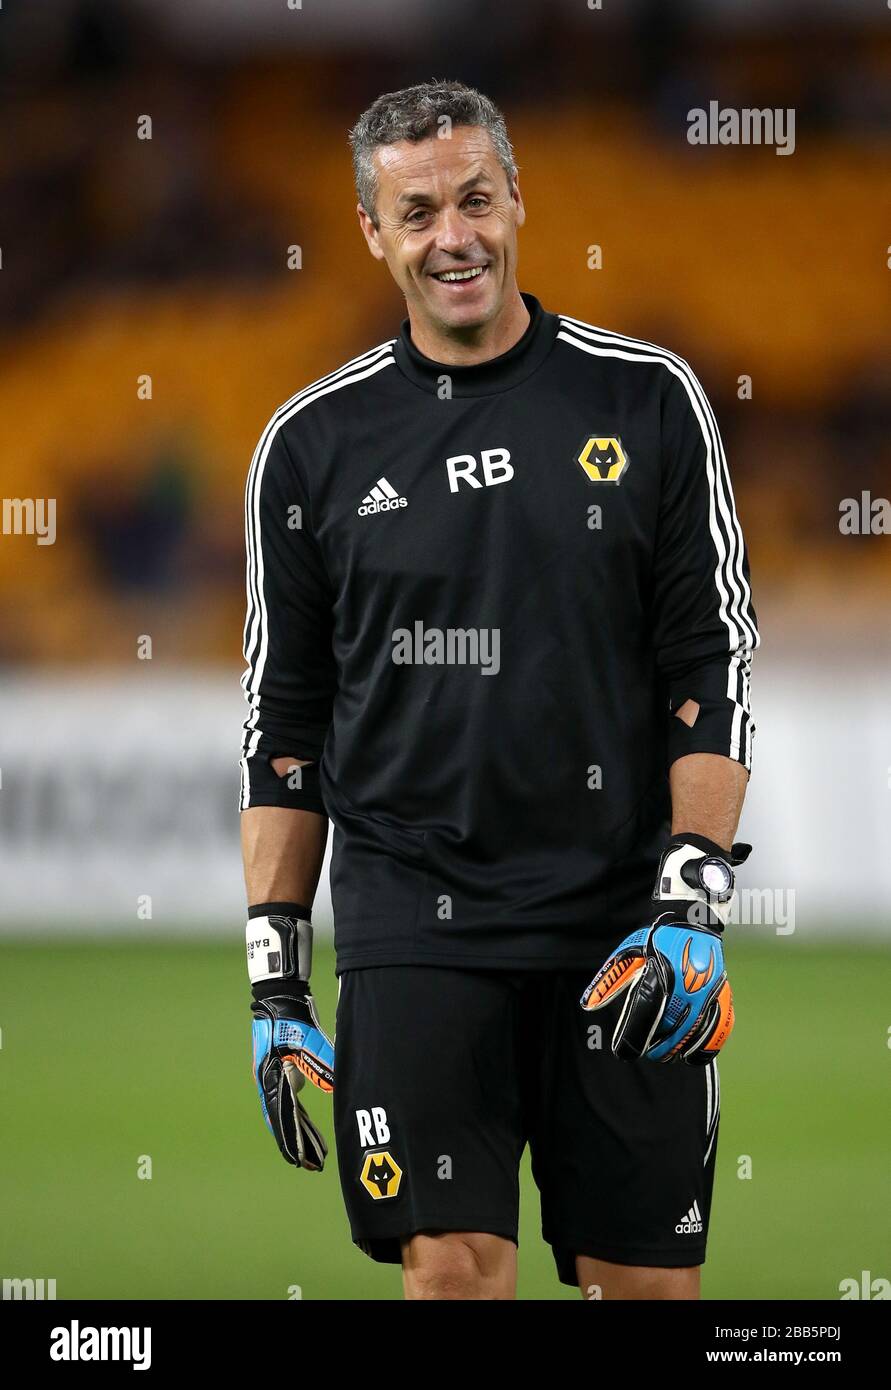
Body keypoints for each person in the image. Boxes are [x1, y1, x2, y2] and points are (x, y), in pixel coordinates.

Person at [239, 79, 759, 1301]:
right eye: (416, 212)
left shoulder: (648, 401)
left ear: (520, 200)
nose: (453, 235)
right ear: (372, 232)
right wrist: (274, 974)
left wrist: (693, 897)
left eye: (475, 199)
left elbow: (710, 668)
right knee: (457, 1274)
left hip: (621, 925)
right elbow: (284, 728)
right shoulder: (311, 445)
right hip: (413, 921)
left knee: (646, 1289)